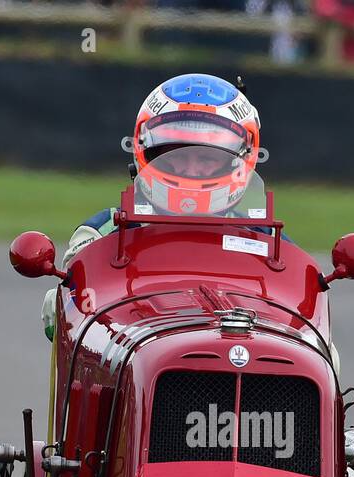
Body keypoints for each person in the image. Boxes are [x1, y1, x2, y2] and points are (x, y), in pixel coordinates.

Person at [40, 73, 263, 342]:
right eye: (174, 153)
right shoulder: (103, 232)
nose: (190, 169)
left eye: (207, 158)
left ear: (241, 158)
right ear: (145, 149)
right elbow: (72, 319)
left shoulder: (263, 239)